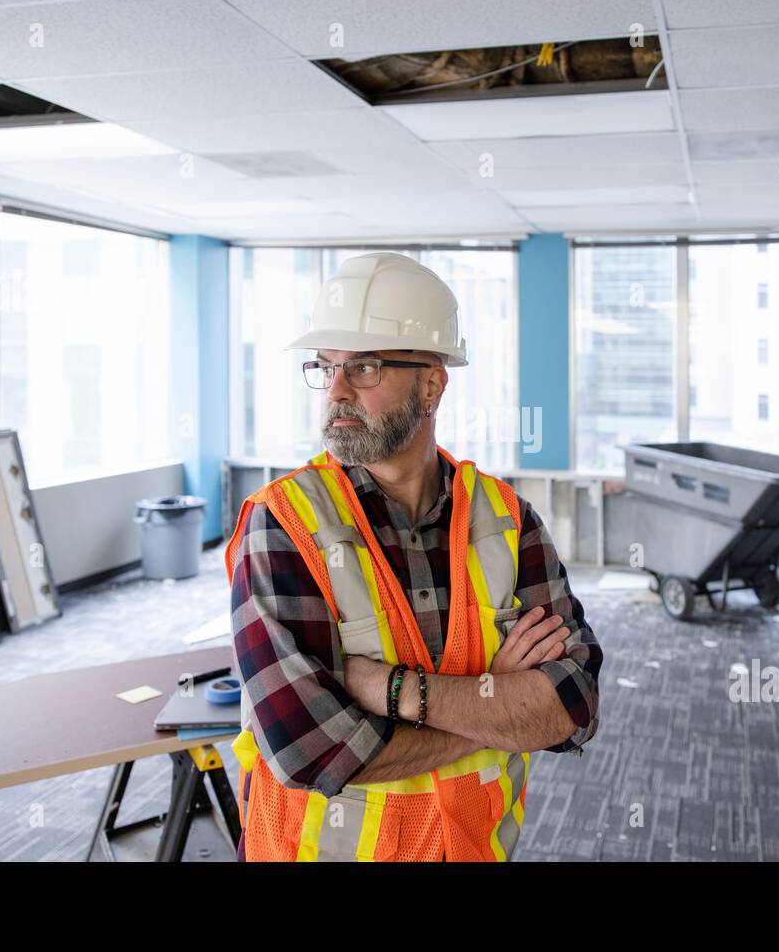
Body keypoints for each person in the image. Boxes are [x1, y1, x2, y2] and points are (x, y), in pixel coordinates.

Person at [225, 252, 601, 861]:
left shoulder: (505, 519)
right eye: (325, 368)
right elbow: (309, 748)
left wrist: (393, 690)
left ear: (431, 385)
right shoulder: (284, 524)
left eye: (365, 368)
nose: (337, 392)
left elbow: (573, 707)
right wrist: (493, 698)